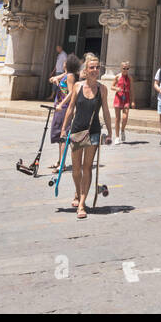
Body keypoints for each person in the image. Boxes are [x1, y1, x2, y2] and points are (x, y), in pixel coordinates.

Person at [59, 52, 111, 219]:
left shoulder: (102, 89)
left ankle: (82, 203)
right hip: (76, 131)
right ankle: (77, 190)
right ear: (86, 70)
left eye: (97, 67)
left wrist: (110, 132)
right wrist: (63, 129)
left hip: (93, 132)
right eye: (92, 67)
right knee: (76, 169)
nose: (95, 70)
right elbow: (71, 108)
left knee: (87, 168)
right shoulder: (78, 87)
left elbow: (107, 112)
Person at [112, 60, 135, 143]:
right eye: (124, 68)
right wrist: (117, 88)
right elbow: (112, 86)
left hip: (126, 98)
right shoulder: (117, 77)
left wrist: (133, 101)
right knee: (117, 118)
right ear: (121, 68)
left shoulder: (130, 78)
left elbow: (132, 89)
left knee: (125, 117)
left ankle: (122, 130)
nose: (126, 70)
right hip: (118, 97)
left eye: (127, 68)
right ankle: (117, 137)